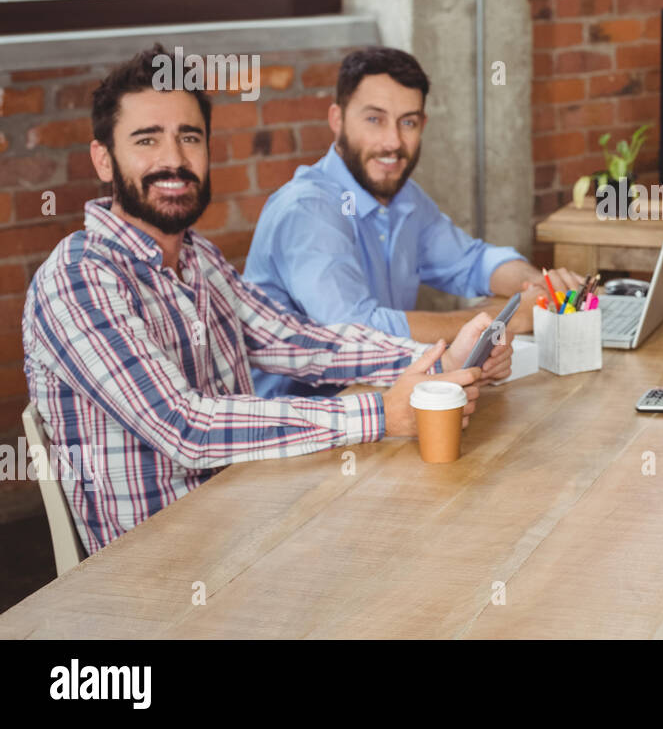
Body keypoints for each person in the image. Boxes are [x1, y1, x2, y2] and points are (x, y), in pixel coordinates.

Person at [21, 45, 509, 555]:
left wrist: (439, 360)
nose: (173, 159)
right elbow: (187, 427)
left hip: (248, 513)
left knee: (456, 523)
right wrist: (380, 416)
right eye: (147, 140)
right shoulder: (79, 280)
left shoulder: (198, 259)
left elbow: (303, 342)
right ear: (104, 158)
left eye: (190, 138)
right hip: (158, 569)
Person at [243, 46, 584, 398]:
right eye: (374, 119)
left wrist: (535, 286)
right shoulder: (307, 210)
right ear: (337, 119)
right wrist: (503, 319)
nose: (393, 142)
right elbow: (359, 331)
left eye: (407, 122)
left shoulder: (405, 198)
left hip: (382, 400)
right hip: (302, 428)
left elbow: (472, 261)